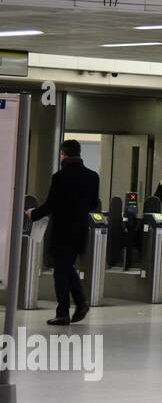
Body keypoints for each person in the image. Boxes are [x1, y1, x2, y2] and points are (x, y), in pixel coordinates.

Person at [26, 139, 100, 326]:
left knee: (60, 271)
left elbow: (51, 204)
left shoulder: (59, 177)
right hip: (80, 230)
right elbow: (93, 204)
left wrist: (33, 213)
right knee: (67, 266)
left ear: (64, 154)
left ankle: (63, 313)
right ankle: (81, 303)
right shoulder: (93, 176)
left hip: (62, 230)